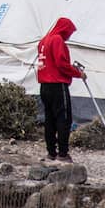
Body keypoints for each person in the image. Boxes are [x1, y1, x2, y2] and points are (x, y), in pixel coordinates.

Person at [37, 17, 86, 163]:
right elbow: (61, 64)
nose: (69, 36)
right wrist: (78, 73)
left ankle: (51, 152)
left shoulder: (43, 41)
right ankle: (63, 153)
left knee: (49, 119)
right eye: (69, 32)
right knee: (63, 119)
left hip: (44, 85)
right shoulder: (57, 40)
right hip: (58, 85)